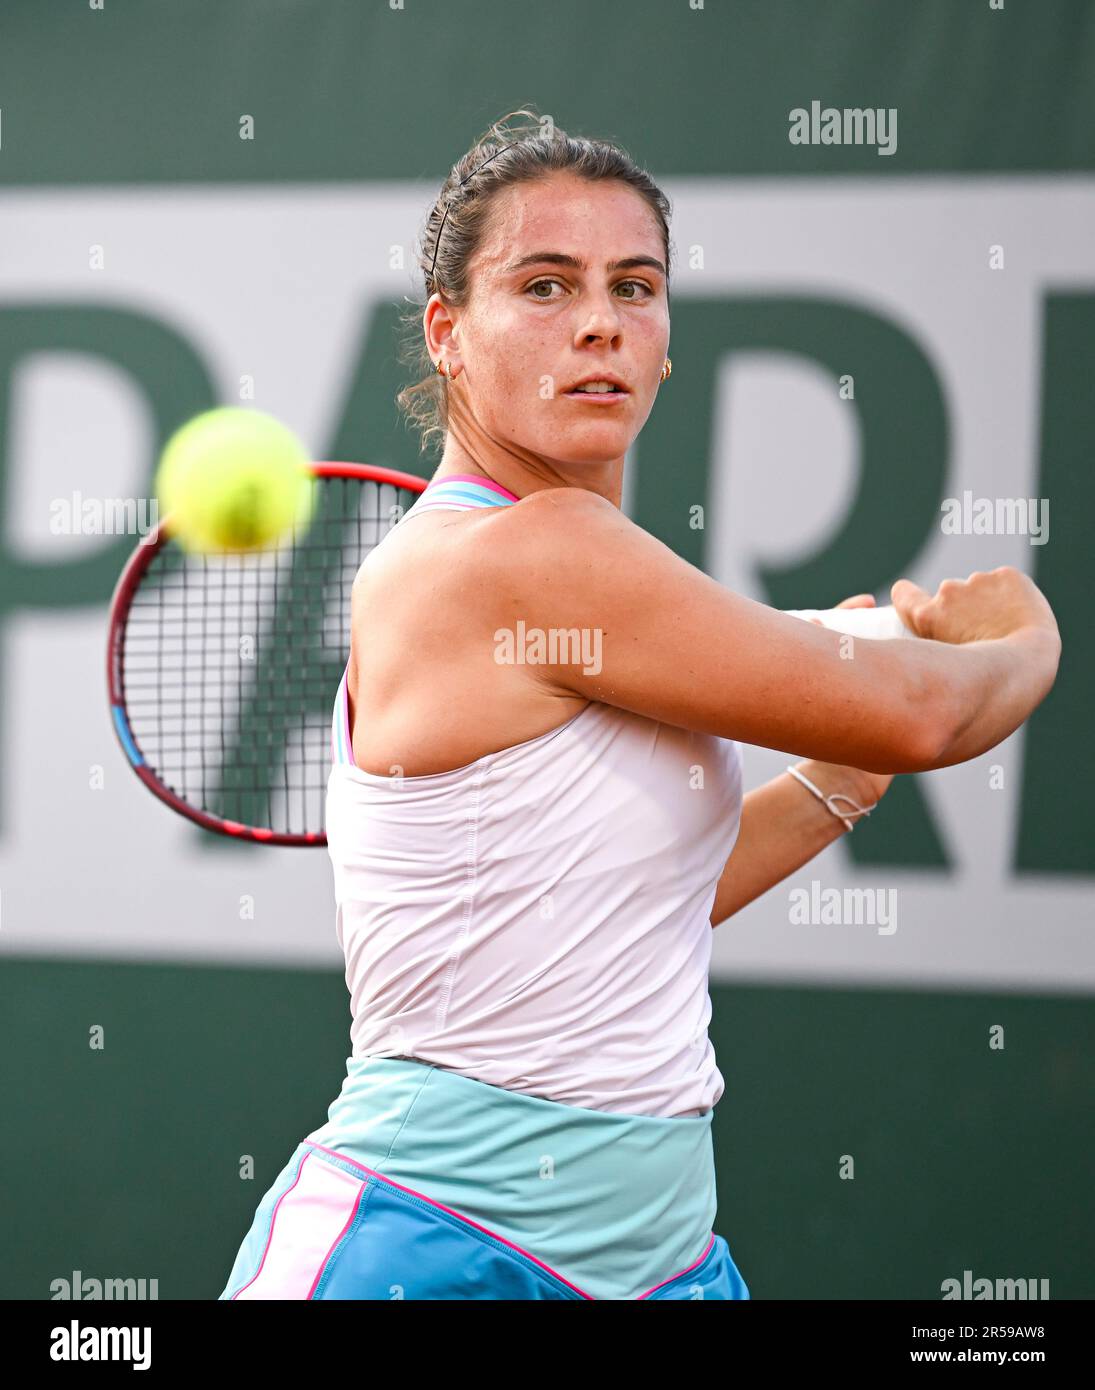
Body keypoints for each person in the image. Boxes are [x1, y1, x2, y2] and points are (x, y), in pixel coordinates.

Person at [219, 109, 1060, 1301]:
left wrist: (834, 783)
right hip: (430, 1250)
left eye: (637, 286)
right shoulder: (529, 554)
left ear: (667, 339)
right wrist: (1028, 638)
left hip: (658, 1265)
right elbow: (927, 715)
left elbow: (631, 912)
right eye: (546, 286)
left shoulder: (589, 569)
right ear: (448, 335)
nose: (602, 320)